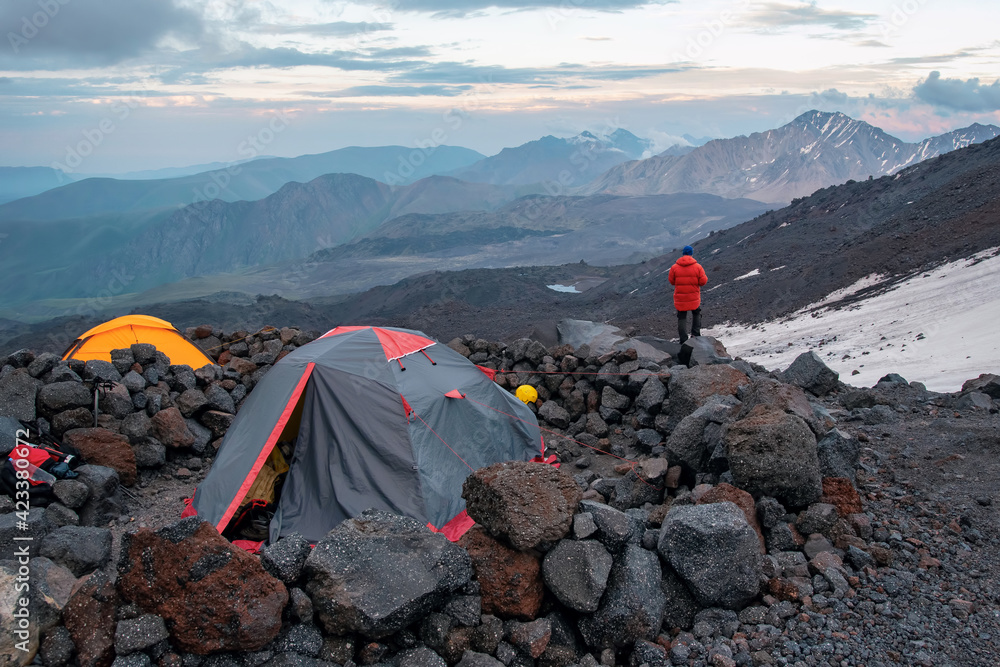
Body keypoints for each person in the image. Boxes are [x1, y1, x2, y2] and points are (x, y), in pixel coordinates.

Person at [667, 245, 708, 344]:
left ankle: (683, 339)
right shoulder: (698, 267)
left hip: (680, 297)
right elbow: (703, 282)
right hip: (693, 296)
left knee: (682, 317)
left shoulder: (674, 267)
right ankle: (695, 334)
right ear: (691, 254)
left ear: (683, 254)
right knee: (696, 313)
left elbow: (671, 281)